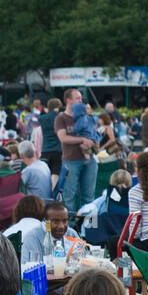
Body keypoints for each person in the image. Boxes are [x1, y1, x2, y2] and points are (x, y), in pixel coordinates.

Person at [55, 89, 97, 217]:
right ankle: (70, 229)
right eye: (77, 98)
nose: (81, 101)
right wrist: (82, 140)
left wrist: (92, 142)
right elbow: (63, 138)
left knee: (89, 196)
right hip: (71, 160)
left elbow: (95, 135)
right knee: (69, 196)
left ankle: (89, 228)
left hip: (89, 159)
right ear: (68, 100)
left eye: (81, 98)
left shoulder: (86, 117)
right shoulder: (61, 118)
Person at [20, 200, 85, 265]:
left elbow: (83, 260)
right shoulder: (32, 238)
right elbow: (30, 270)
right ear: (45, 221)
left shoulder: (71, 234)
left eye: (65, 221)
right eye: (55, 221)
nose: (61, 226)